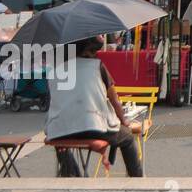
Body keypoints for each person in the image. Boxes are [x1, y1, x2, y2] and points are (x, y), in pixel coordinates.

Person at [46, 37, 144, 177]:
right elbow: (114, 99)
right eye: (92, 51)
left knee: (60, 142)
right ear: (86, 50)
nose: (95, 54)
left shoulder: (57, 69)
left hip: (62, 128)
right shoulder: (97, 66)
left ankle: (72, 174)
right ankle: (137, 178)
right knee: (128, 138)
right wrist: (124, 120)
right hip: (94, 127)